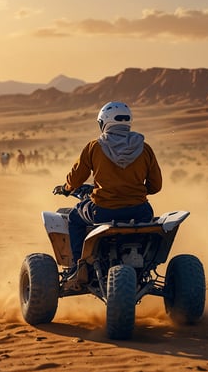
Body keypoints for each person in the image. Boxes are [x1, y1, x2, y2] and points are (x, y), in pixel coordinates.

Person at [53, 101, 162, 277]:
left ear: (104, 123)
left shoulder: (94, 146)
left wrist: (66, 188)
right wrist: (132, 191)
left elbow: (75, 179)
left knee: (74, 217)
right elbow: (156, 186)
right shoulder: (145, 148)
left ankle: (78, 266)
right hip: (140, 212)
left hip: (103, 212)